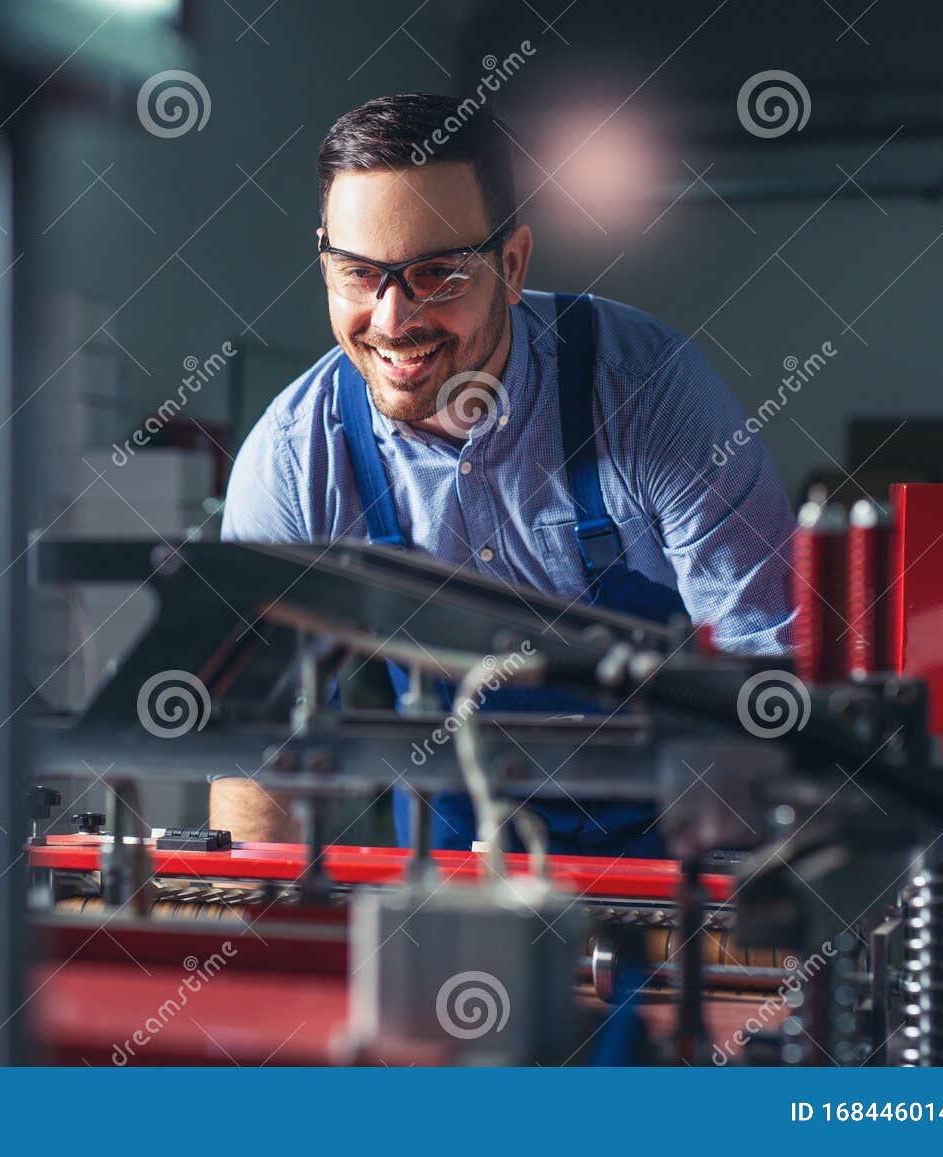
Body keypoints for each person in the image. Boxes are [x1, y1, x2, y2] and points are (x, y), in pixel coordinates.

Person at [214, 93, 794, 856]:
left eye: (437, 274)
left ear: (511, 265)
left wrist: (730, 904)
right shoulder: (296, 461)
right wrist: (257, 923)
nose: (392, 319)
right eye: (359, 274)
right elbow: (257, 749)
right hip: (451, 857)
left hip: (676, 834)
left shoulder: (648, 395)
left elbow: (767, 674)